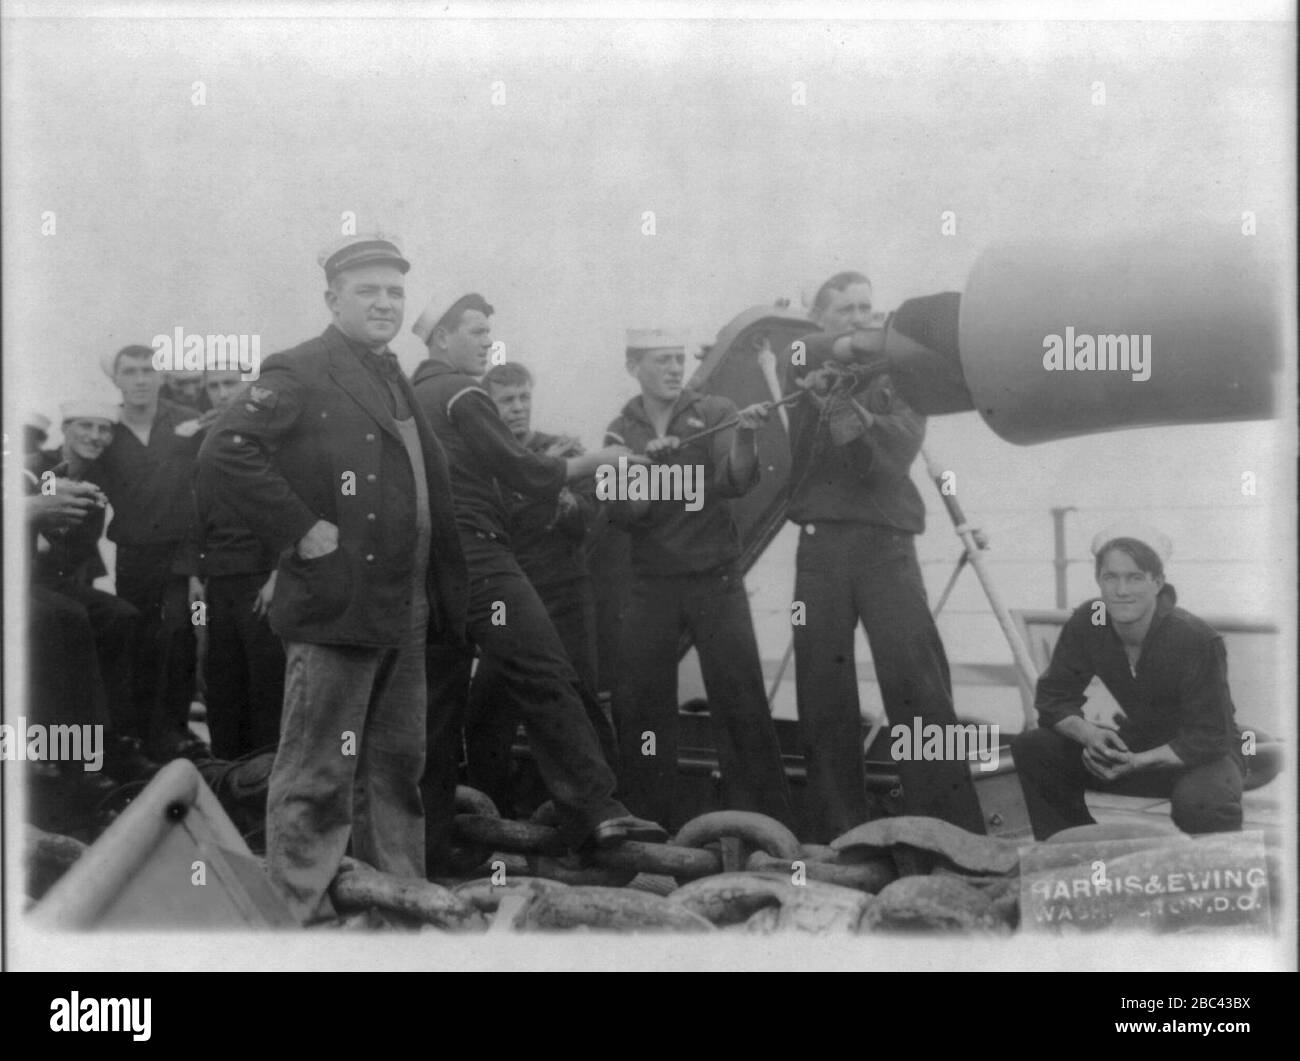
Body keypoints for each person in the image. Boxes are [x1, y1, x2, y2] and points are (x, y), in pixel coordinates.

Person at [197, 233, 468, 923]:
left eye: (394, 292)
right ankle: (297, 910)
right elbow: (225, 449)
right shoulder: (301, 367)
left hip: (400, 607)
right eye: (368, 291)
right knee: (317, 770)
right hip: (335, 605)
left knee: (393, 766)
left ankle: (396, 902)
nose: (384, 303)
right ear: (332, 299)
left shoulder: (392, 373)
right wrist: (300, 530)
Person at [410, 293, 665, 870]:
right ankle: (595, 811)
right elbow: (523, 470)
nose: (485, 341)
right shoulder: (462, 393)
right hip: (480, 555)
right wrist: (604, 461)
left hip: (428, 569)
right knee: (546, 673)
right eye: (474, 331)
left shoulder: (409, 396)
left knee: (440, 705)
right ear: (442, 340)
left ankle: (427, 845)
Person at [785, 271, 985, 841]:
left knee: (918, 682)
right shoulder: (798, 359)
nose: (859, 316)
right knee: (822, 689)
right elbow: (799, 352)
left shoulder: (904, 377)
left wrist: (855, 416)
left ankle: (949, 825)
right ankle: (834, 830)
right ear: (819, 318)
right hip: (820, 550)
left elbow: (893, 454)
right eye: (844, 308)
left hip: (887, 548)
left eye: (867, 307)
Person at [603, 327, 794, 831]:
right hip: (652, 586)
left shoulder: (715, 411)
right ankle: (648, 825)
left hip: (716, 581)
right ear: (633, 366)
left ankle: (764, 826)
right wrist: (647, 469)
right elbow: (624, 511)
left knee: (740, 699)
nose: (674, 368)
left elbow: (734, 479)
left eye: (678, 359)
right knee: (642, 708)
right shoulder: (619, 433)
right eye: (661, 359)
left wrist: (748, 434)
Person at [1011, 527, 1246, 838]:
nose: (1121, 590)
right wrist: (1090, 735)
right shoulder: (1090, 620)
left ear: (1158, 583)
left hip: (1201, 759)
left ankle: (1215, 872)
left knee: (1203, 805)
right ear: (1099, 581)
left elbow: (1211, 736)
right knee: (1034, 747)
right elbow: (1053, 697)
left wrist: (1138, 761)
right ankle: (1074, 850)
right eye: (1111, 577)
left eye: (1135, 577)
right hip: (1134, 749)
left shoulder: (1194, 638)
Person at [463, 361, 615, 815]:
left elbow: (589, 517)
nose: (518, 408)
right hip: (508, 603)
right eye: (507, 401)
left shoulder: (560, 453)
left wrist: (561, 495)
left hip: (564, 595)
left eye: (524, 398)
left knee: (580, 704)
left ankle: (595, 813)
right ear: (489, 408)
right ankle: (489, 817)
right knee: (488, 713)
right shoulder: (483, 464)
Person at [24, 402, 157, 782]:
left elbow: (77, 552)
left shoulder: (98, 478)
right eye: (85, 426)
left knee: (121, 616)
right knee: (68, 617)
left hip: (51, 575)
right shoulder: (35, 466)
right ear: (65, 429)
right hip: (23, 574)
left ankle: (114, 739)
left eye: (103, 429)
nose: (94, 436)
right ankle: (67, 750)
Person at [95, 346, 210, 763]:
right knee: (137, 638)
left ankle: (175, 732)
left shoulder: (185, 420)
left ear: (162, 377)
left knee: (179, 635)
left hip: (181, 554)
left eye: (149, 371)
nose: (141, 379)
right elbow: (66, 466)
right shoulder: (104, 428)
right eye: (131, 371)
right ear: (117, 379)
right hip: (132, 555)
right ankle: (139, 737)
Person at [191, 369, 285, 760]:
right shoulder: (204, 446)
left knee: (265, 684)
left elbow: (299, 508)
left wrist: (282, 573)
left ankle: (265, 781)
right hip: (219, 578)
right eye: (213, 386)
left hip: (262, 578)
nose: (222, 394)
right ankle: (229, 780)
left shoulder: (277, 441)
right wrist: (196, 574)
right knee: (222, 682)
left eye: (231, 384)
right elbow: (195, 513)